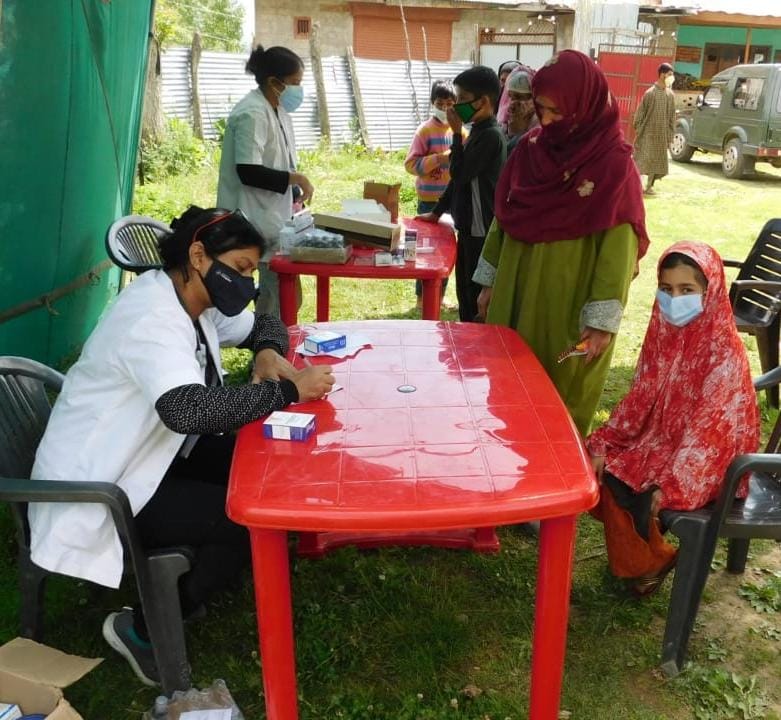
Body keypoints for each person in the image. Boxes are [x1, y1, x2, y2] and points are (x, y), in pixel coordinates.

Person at [28, 206, 334, 685]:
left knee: (262, 471)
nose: (245, 285)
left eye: (251, 273)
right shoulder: (151, 316)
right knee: (246, 515)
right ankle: (143, 630)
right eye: (239, 270)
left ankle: (209, 578)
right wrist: (289, 390)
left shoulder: (191, 299)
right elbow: (187, 410)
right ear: (197, 254)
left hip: (149, 455)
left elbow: (266, 323)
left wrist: (269, 352)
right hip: (100, 486)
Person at [473, 50, 649, 435]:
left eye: (556, 110)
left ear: (583, 104)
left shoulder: (613, 166)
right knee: (506, 389)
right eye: (541, 108)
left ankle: (561, 490)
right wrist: (489, 284)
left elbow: (618, 250)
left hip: (570, 307)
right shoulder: (533, 149)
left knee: (559, 403)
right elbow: (506, 215)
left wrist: (601, 323)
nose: (547, 120)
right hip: (514, 294)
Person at [587, 242, 760, 596]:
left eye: (686, 290)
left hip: (712, 462)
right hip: (665, 441)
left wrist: (672, 484)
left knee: (638, 487)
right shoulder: (664, 334)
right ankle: (650, 560)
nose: (673, 299)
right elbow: (641, 397)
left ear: (709, 293)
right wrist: (607, 441)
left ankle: (643, 564)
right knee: (608, 473)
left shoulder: (722, 352)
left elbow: (711, 435)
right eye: (666, 290)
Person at [217, 45, 313, 317]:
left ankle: (272, 348)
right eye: (295, 83)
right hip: (250, 215)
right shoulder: (252, 113)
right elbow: (248, 170)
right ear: (274, 81)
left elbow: (279, 159)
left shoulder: (278, 109)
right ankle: (266, 354)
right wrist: (295, 178)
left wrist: (293, 191)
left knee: (286, 296)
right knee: (275, 299)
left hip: (273, 215)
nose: (299, 90)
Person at [418, 66, 507, 322]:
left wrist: (456, 133)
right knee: (465, 296)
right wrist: (435, 213)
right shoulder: (478, 131)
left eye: (463, 99)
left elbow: (459, 173)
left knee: (476, 299)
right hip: (467, 229)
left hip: (481, 231)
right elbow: (457, 185)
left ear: (483, 101)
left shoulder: (491, 136)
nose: (456, 106)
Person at [404, 80, 459, 310]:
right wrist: (438, 159)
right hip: (428, 201)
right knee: (425, 249)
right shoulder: (425, 130)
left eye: (449, 103)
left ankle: (440, 294)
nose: (445, 108)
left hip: (452, 201)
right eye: (440, 103)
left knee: (447, 251)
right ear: (432, 103)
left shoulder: (461, 132)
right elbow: (410, 164)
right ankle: (421, 298)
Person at [633, 62, 676, 196]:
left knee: (657, 161)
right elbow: (640, 114)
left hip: (662, 134)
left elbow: (672, 116)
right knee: (642, 159)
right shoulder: (650, 93)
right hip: (648, 133)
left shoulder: (670, 95)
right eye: (669, 74)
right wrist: (640, 129)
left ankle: (649, 186)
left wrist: (670, 134)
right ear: (662, 75)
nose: (671, 77)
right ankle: (635, 185)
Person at [504, 68, 539, 154]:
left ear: (533, 97)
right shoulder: (507, 119)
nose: (513, 102)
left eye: (519, 97)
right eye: (511, 97)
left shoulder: (539, 123)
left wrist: (520, 132)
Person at [495, 59, 522, 133]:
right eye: (502, 80)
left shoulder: (524, 105)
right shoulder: (494, 101)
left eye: (509, 81)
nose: (505, 85)